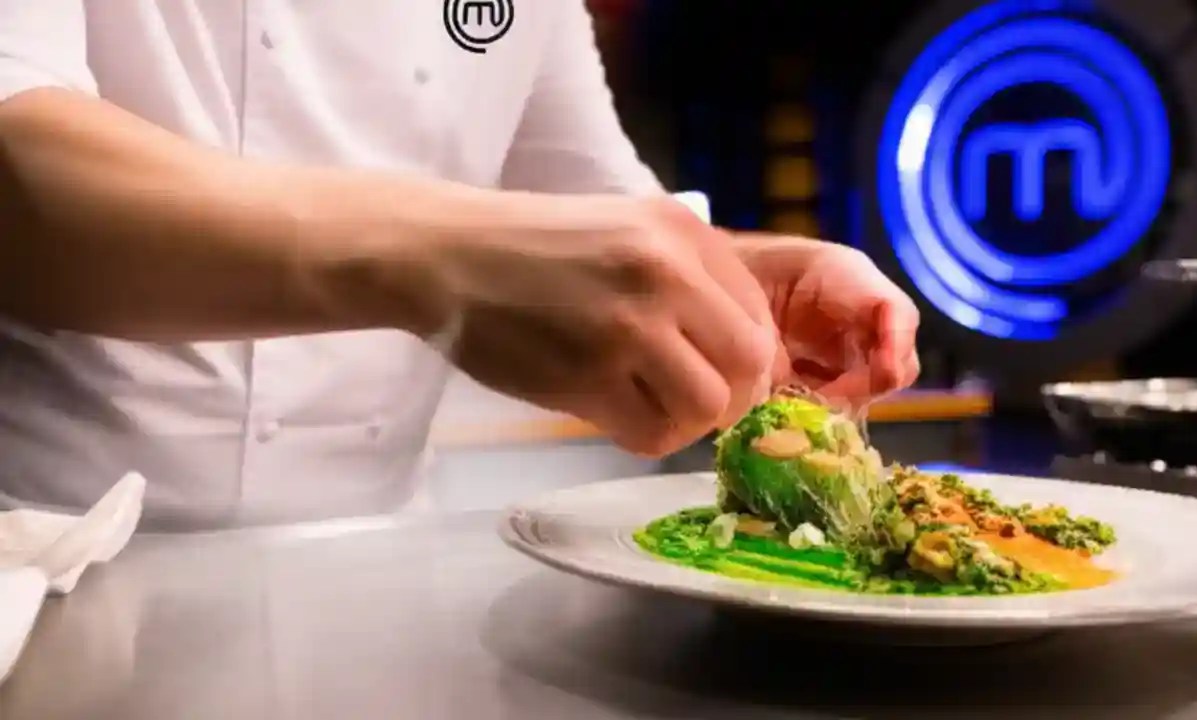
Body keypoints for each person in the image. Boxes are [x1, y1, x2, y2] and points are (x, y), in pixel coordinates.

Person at [0, 1, 919, 530]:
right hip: (39, 559)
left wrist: (738, 281)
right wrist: (439, 265)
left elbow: (594, 209)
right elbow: (17, 164)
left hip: (377, 568)